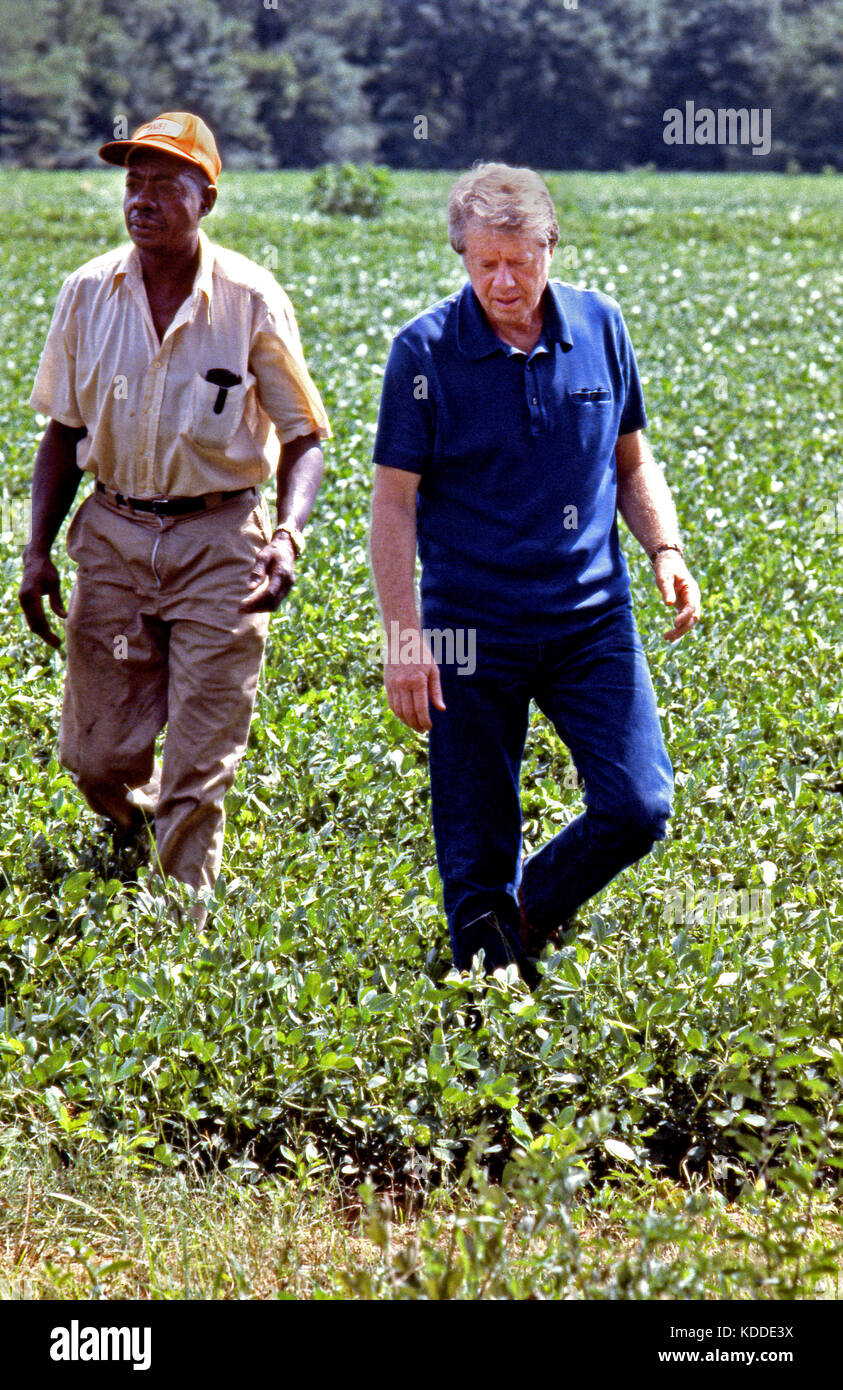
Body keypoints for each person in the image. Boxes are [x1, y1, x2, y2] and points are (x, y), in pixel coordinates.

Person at [370, 163, 700, 981]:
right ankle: (483, 987)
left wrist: (665, 548)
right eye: (484, 264)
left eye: (520, 260)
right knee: (476, 836)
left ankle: (522, 913)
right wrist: (403, 639)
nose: (503, 281)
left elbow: (630, 462)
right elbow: (392, 507)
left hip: (590, 619)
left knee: (637, 806)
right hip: (468, 631)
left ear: (551, 245)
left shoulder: (600, 325)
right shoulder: (423, 352)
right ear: (462, 258)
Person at [19, 112, 329, 909]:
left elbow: (305, 437)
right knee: (94, 760)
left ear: (207, 198)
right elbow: (62, 431)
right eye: (133, 183)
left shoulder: (250, 300)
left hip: (221, 541)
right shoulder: (88, 293)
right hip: (115, 536)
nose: (143, 199)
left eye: (164, 184)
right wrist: (37, 551)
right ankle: (140, 822)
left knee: (201, 753)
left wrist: (287, 537)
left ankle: (181, 921)